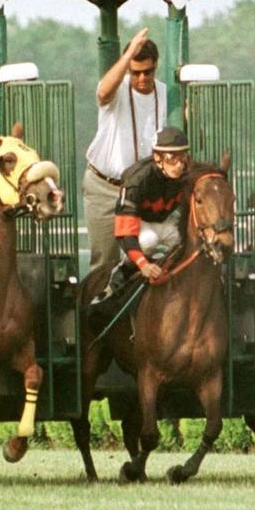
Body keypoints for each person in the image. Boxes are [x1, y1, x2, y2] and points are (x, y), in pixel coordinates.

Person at [88, 126, 191, 329]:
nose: (179, 165)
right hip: (141, 225)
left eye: (183, 157)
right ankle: (120, 277)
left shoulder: (187, 173)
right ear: (157, 157)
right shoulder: (137, 181)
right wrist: (143, 264)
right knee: (148, 241)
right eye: (172, 158)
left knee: (186, 243)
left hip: (168, 222)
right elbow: (125, 232)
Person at [83, 28, 168, 271]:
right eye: (135, 73)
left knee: (142, 256)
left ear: (156, 67)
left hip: (143, 191)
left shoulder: (165, 93)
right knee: (104, 264)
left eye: (148, 72)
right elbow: (103, 92)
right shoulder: (117, 89)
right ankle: (98, 308)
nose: (142, 79)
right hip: (105, 188)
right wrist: (129, 52)